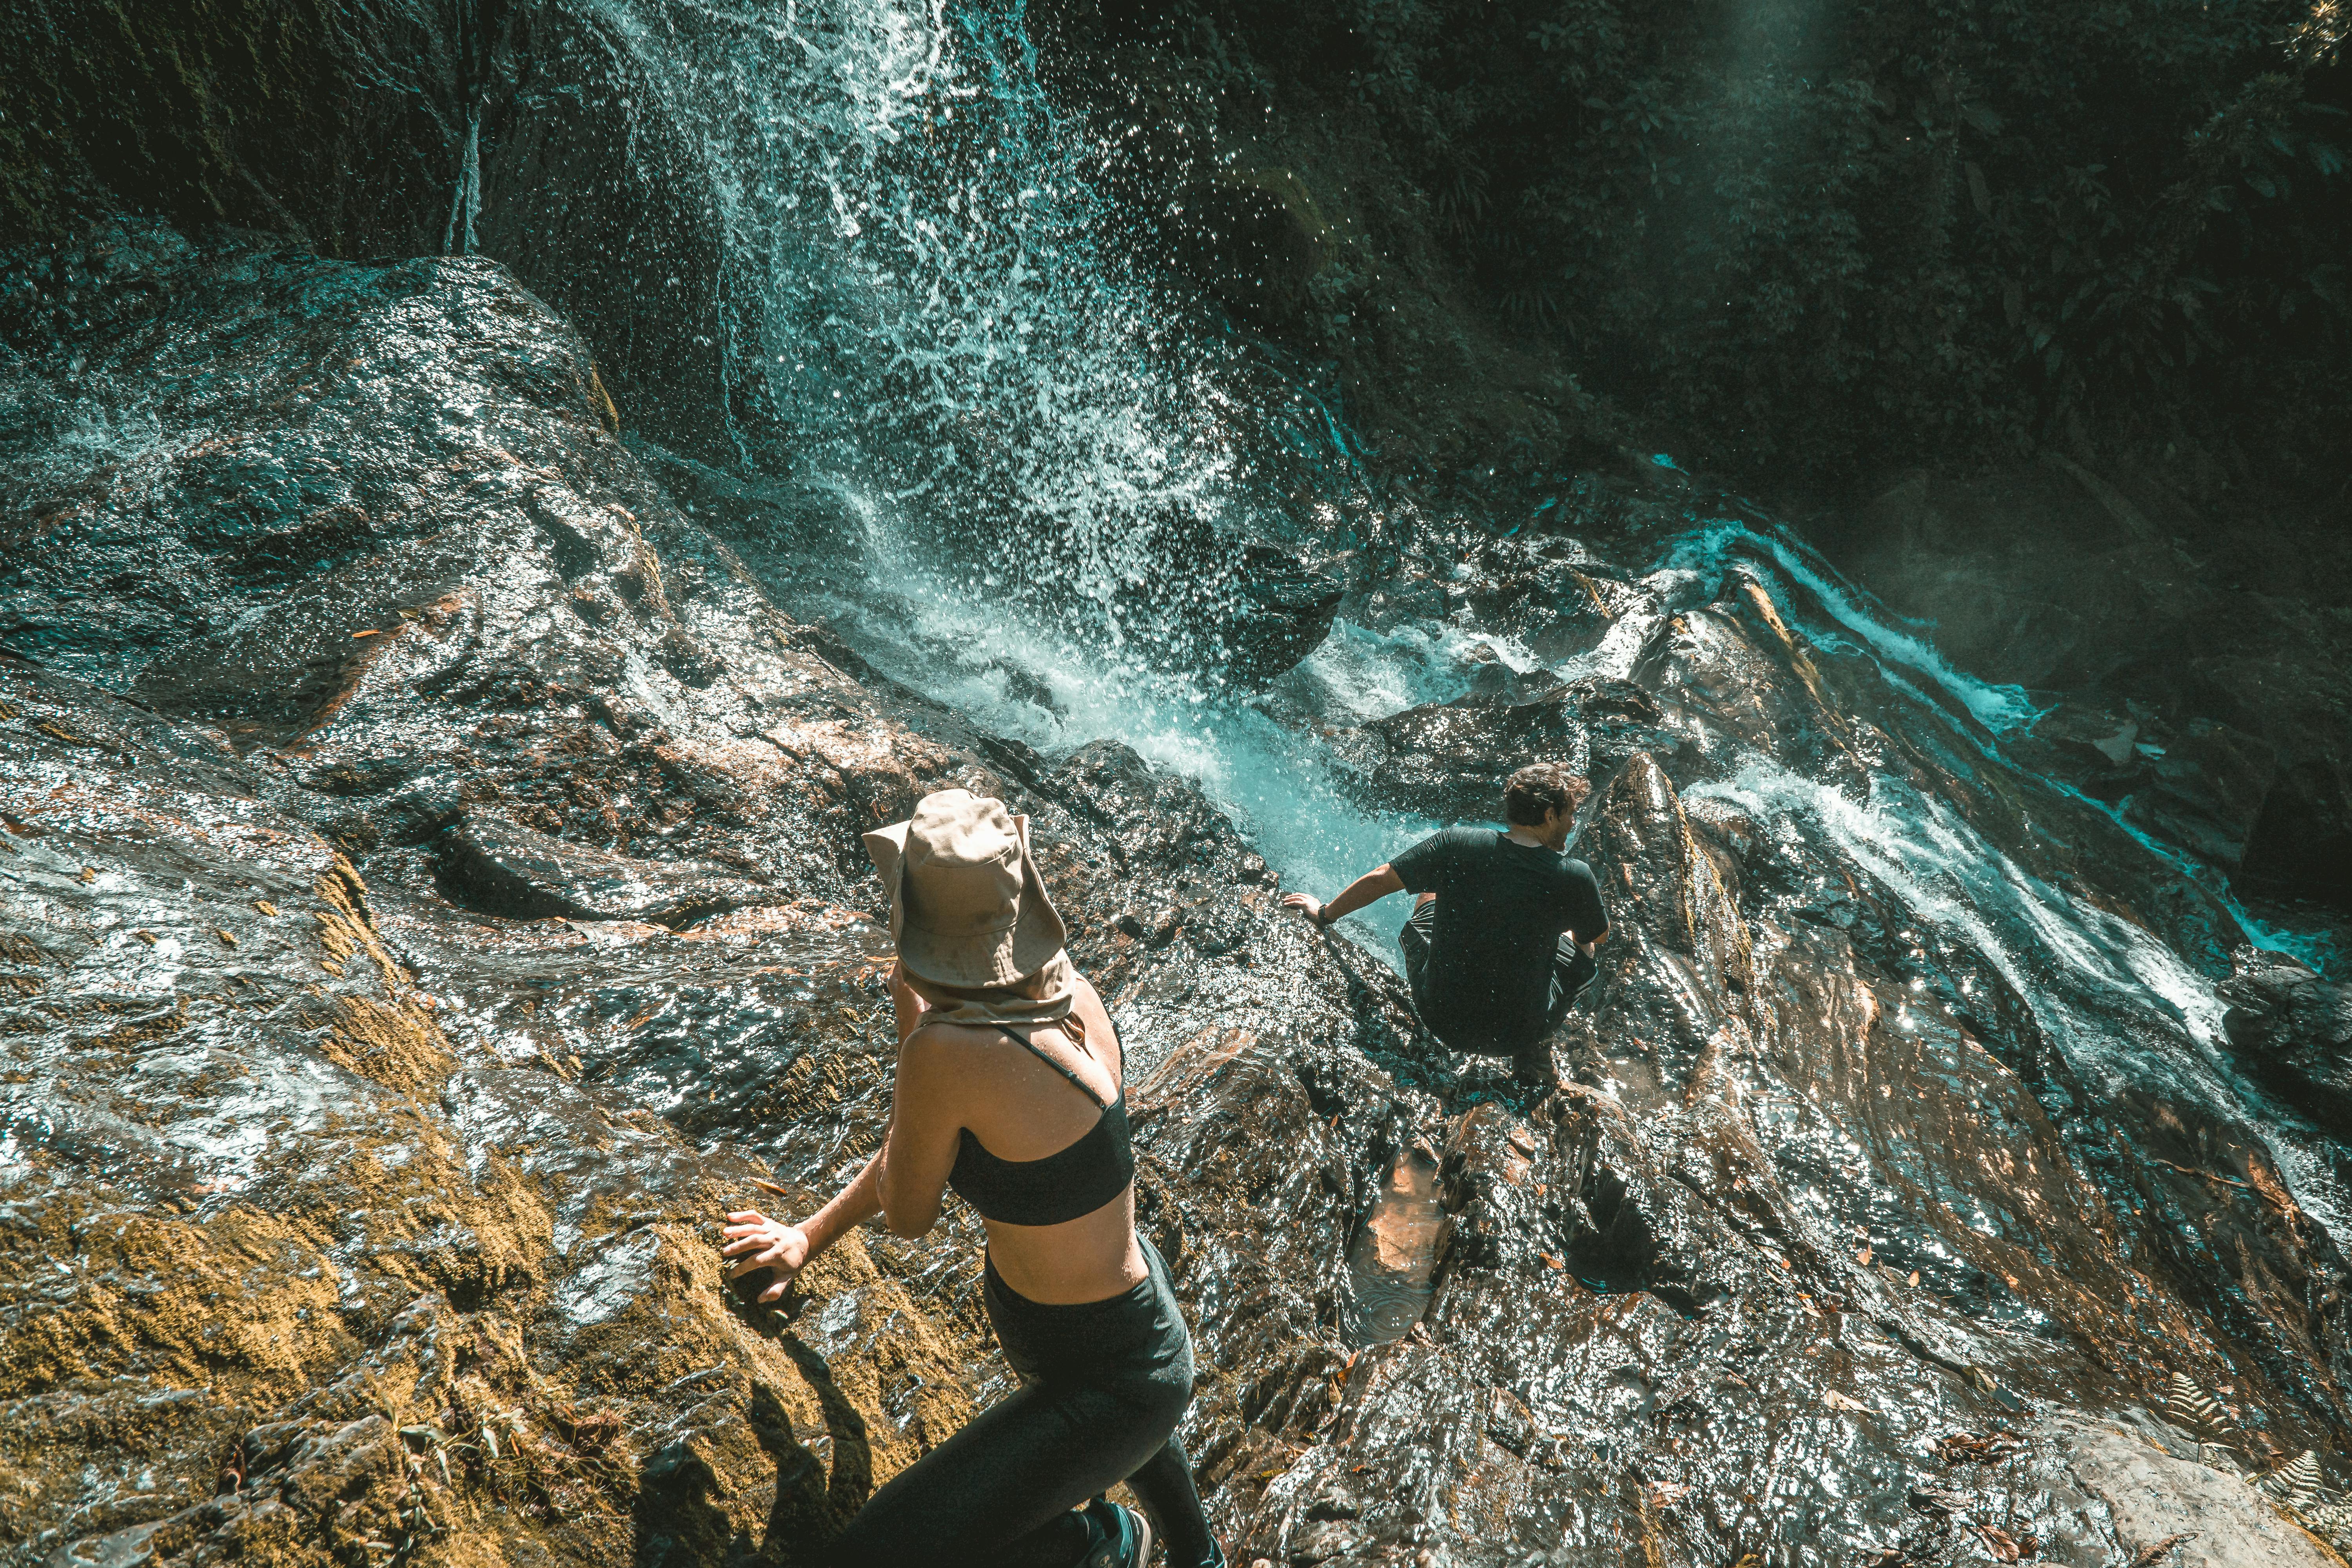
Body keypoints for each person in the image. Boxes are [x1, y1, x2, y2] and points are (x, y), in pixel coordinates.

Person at [720, 789, 1225, 1568]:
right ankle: (1199, 1555)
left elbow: (913, 1204)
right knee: (1127, 1442)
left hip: (1110, 1376)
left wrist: (911, 1026)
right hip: (1126, 1334)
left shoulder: (949, 1048)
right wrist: (808, 1235)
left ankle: (1108, 1542)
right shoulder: (1061, 992)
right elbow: (933, 1149)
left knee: (879, 1554)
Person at [1282, 761, 1609, 1085]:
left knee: (1431, 885)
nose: (1572, 822)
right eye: (1569, 814)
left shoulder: (1457, 843)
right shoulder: (1573, 875)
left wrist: (1324, 914)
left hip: (1441, 1018)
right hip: (1517, 1034)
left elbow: (1381, 880)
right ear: (1550, 815)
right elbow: (1599, 936)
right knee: (1584, 941)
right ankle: (1536, 1054)